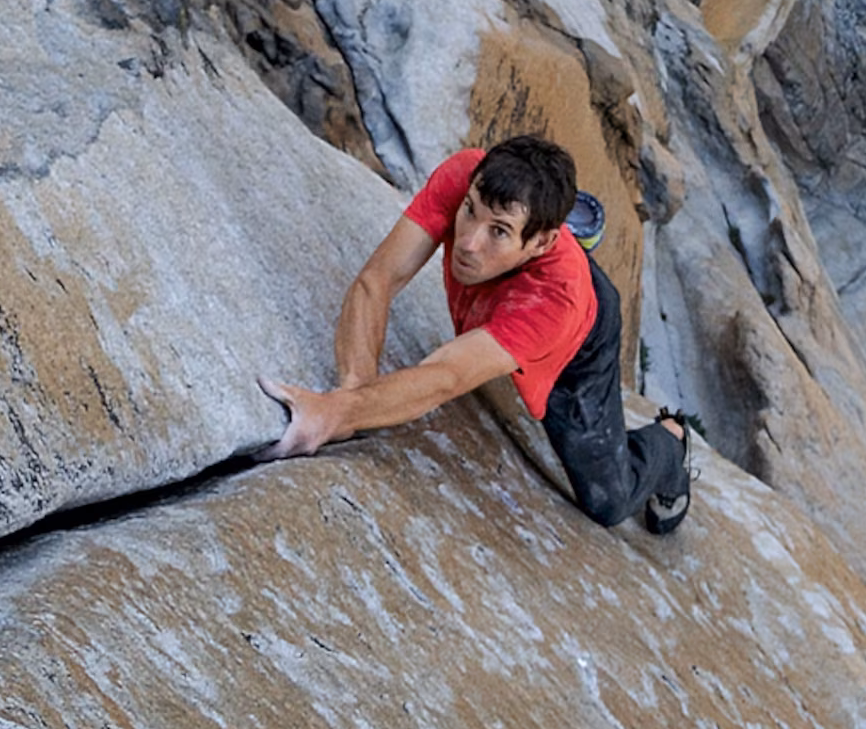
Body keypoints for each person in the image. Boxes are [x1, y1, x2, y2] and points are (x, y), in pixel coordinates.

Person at [261, 131, 691, 533]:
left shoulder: (555, 304)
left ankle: (669, 444)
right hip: (535, 271)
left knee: (608, 501)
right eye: (469, 211)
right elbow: (378, 281)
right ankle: (540, 230)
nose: (467, 241)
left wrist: (339, 412)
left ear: (540, 243)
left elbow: (447, 377)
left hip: (582, 331)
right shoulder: (468, 176)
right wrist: (350, 398)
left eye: (497, 231)